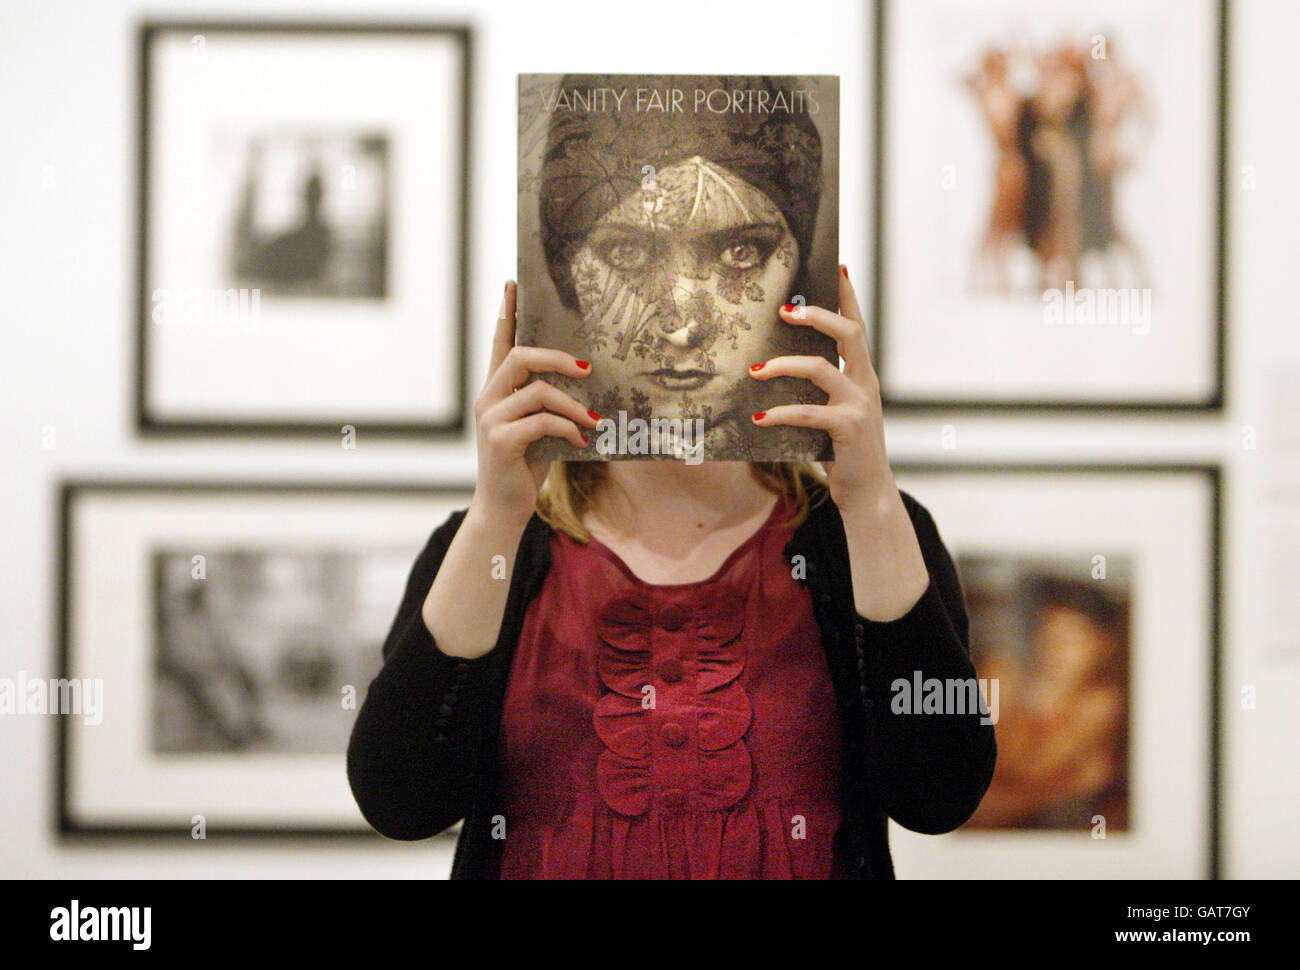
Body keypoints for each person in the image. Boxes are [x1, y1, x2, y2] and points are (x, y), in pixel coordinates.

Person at [345, 261, 998, 879]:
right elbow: (402, 802)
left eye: (731, 265)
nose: (681, 328)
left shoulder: (856, 534)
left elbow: (939, 795)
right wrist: (496, 514)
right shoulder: (499, 546)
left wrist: (872, 497)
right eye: (634, 268)